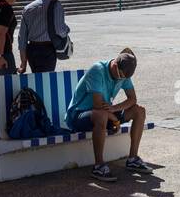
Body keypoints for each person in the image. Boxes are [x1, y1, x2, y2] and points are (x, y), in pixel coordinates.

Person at [63, 48, 149, 182]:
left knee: (139, 111)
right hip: (78, 116)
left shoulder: (124, 73)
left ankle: (132, 159)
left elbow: (132, 99)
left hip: (104, 112)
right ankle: (99, 166)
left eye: (125, 78)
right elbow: (98, 105)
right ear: (115, 65)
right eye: (121, 76)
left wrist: (115, 108)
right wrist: (115, 119)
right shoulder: (97, 70)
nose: (121, 79)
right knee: (101, 115)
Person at [17, 0, 68, 74]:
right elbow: (60, 30)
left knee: (37, 78)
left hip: (32, 49)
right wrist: (67, 30)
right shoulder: (56, 5)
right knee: (46, 81)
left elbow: (22, 38)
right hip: (47, 50)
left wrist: (23, 62)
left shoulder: (27, 8)